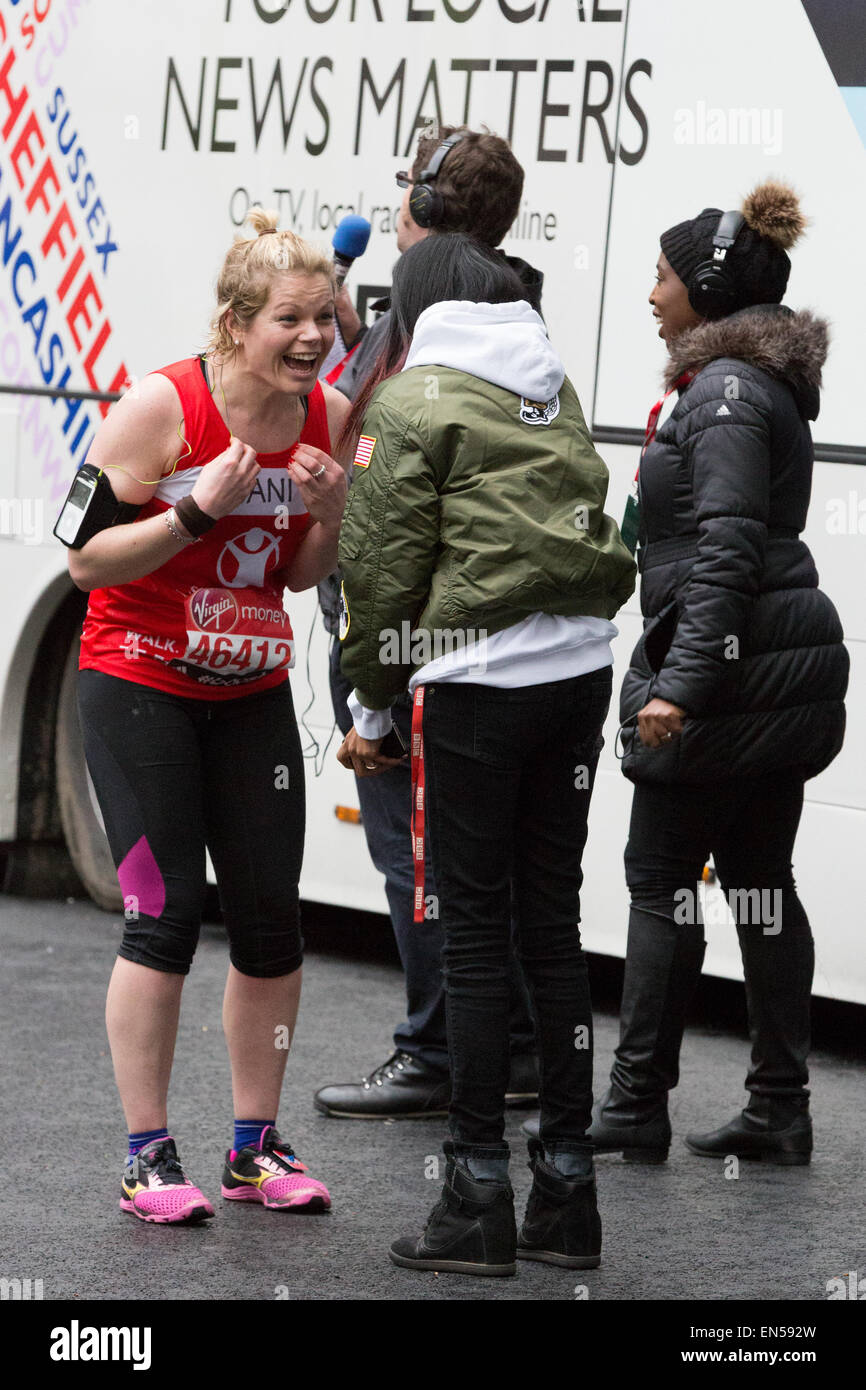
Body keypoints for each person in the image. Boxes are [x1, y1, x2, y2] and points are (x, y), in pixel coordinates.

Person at [336, 233, 636, 1275]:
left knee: (468, 932)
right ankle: (564, 1191)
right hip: (577, 673)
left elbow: (376, 579)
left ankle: (473, 1194)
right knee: (550, 927)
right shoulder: (547, 388)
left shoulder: (410, 402)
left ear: (414, 307)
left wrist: (370, 713)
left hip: (471, 687)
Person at [68, 208, 351, 1222]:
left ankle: (252, 1146)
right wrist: (191, 510)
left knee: (273, 914)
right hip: (136, 684)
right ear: (235, 324)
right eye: (290, 320)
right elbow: (82, 561)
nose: (314, 338)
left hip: (249, 695)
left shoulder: (324, 415)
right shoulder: (162, 407)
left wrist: (324, 515)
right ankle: (147, 1154)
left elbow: (305, 573)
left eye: (324, 317)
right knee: (164, 908)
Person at [587, 180, 849, 1166]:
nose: (649, 293)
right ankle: (777, 1106)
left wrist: (678, 686)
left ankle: (633, 1103)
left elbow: (726, 552)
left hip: (731, 680)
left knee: (658, 876)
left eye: (660, 275)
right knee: (755, 880)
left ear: (702, 285)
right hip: (769, 676)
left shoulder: (727, 392)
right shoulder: (740, 383)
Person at [315, 125, 543, 1120]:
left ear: (433, 208)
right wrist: (334, 338)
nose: (399, 200)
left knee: (417, 862)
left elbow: (393, 490)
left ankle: (433, 1051)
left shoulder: (438, 307)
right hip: (448, 636)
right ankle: (513, 1048)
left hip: (407, 639)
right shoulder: (497, 303)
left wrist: (370, 690)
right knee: (462, 862)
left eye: (410, 185)